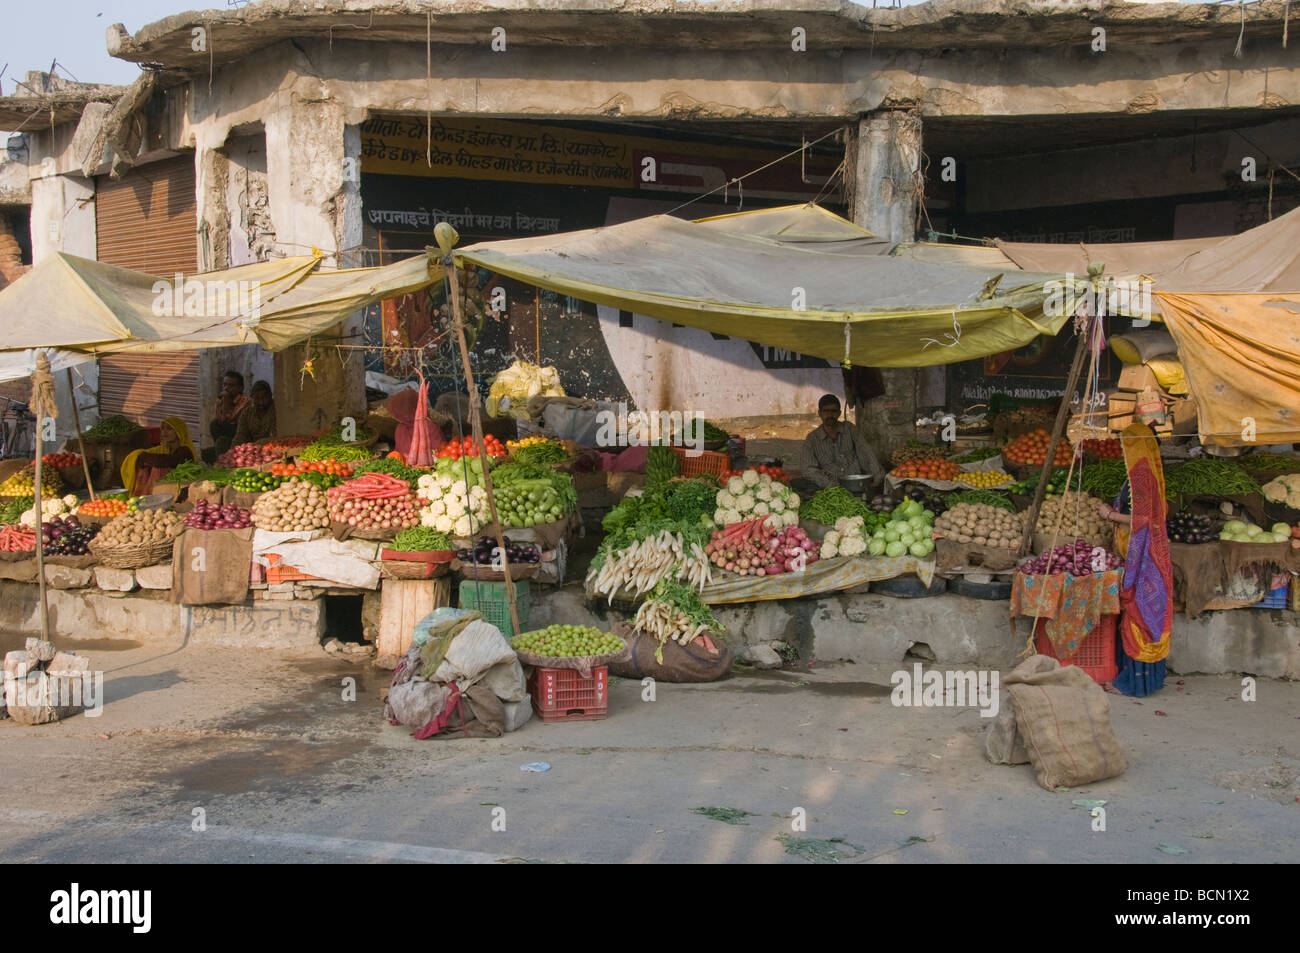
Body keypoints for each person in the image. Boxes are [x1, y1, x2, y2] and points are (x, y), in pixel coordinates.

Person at [1095, 422, 1173, 697]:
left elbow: (1148, 519)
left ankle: (1135, 684)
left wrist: (1110, 515)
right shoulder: (1138, 474)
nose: (1121, 449)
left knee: (1139, 616)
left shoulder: (1143, 476)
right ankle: (1136, 678)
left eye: (1126, 444)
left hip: (1145, 559)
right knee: (1137, 613)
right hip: (1138, 555)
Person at [794, 393, 884, 496]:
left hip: (855, 483)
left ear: (839, 413)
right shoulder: (812, 439)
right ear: (819, 413)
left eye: (833, 411)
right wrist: (832, 485)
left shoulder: (849, 429)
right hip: (830, 487)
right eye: (826, 411)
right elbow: (808, 469)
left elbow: (866, 452)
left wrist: (877, 478)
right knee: (800, 484)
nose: (830, 415)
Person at [119, 416, 199, 496]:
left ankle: (148, 496)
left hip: (182, 487)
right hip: (169, 486)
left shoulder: (185, 450)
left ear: (179, 432)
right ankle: (142, 496)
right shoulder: (166, 449)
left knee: (158, 469)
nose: (164, 432)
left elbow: (163, 461)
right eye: (163, 429)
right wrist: (142, 457)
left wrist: (145, 457)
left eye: (169, 429)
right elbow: (143, 457)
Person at [209, 371, 250, 459]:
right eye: (224, 385)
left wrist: (227, 402)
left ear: (240, 388)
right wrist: (224, 402)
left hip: (242, 435)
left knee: (216, 425)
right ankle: (223, 454)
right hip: (226, 436)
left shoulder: (245, 401)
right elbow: (219, 421)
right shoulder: (221, 401)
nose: (226, 388)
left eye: (231, 386)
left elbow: (230, 420)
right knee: (207, 452)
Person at [233, 380, 277, 445]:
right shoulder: (247, 413)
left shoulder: (277, 411)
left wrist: (259, 443)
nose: (261, 402)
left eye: (264, 398)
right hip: (252, 448)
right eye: (257, 398)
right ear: (252, 398)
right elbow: (240, 436)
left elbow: (276, 436)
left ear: (270, 396)